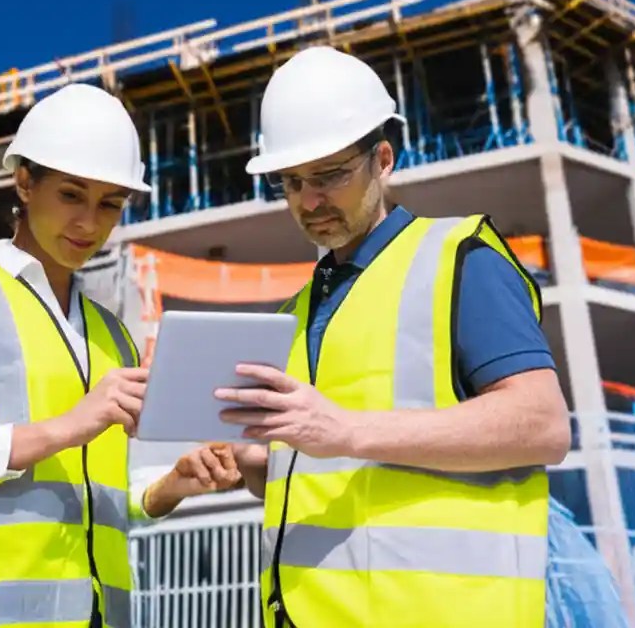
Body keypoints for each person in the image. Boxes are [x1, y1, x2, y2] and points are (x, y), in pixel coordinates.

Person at [214, 46, 572, 627]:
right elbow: (326, 468)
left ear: (383, 159)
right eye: (291, 181)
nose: (309, 201)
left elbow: (542, 425)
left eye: (329, 175)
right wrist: (250, 462)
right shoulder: (297, 313)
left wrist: (347, 429)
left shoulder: (460, 260)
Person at [0, 83, 241, 628]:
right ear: (24, 182)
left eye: (110, 204)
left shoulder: (112, 337)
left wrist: (170, 487)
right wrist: (67, 427)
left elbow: (103, 498)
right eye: (71, 195)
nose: (89, 224)